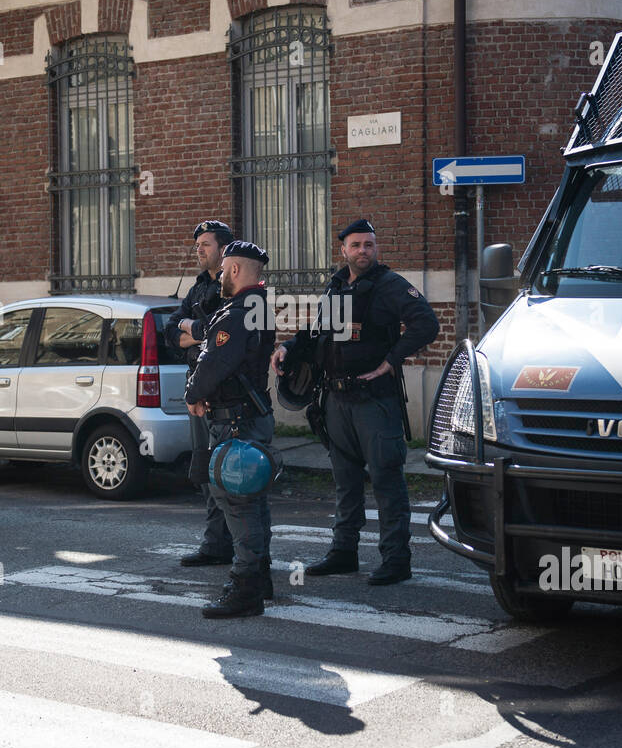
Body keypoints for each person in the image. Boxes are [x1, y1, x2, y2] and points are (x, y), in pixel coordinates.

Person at [272, 218, 439, 586]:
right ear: (343, 250)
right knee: (345, 483)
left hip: (374, 402)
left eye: (369, 244)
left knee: (386, 480)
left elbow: (426, 323)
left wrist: (391, 361)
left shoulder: (389, 285)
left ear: (376, 249)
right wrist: (288, 346)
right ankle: (343, 553)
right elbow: (318, 333)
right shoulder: (335, 287)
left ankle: (396, 560)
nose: (363, 250)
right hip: (336, 401)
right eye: (356, 245)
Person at [184, 240, 276, 618]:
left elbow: (212, 363)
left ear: (235, 270)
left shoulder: (237, 313)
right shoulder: (259, 309)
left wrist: (194, 393)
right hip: (249, 417)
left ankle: (245, 589)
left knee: (238, 505)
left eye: (223, 269)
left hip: (235, 423)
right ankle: (261, 579)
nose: (220, 275)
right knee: (253, 501)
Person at [166, 219, 234, 567]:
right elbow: (170, 332)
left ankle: (237, 546)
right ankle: (215, 544)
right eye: (197, 245)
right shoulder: (195, 290)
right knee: (206, 468)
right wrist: (193, 329)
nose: (199, 250)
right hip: (197, 387)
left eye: (205, 244)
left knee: (228, 471)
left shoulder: (235, 285)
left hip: (223, 392)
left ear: (223, 249)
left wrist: (190, 329)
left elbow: (221, 334)